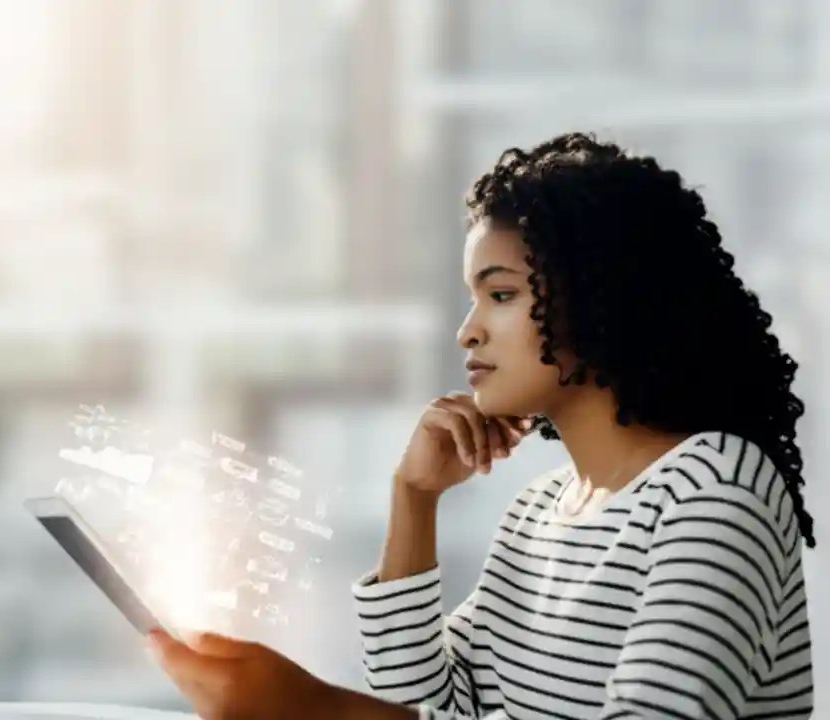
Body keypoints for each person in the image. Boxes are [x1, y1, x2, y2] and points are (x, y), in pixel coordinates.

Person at [146, 132, 815, 719]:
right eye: (474, 300)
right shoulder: (539, 513)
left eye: (501, 295)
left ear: (605, 295)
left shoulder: (715, 490)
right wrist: (414, 497)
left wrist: (323, 714)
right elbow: (421, 705)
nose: (468, 333)